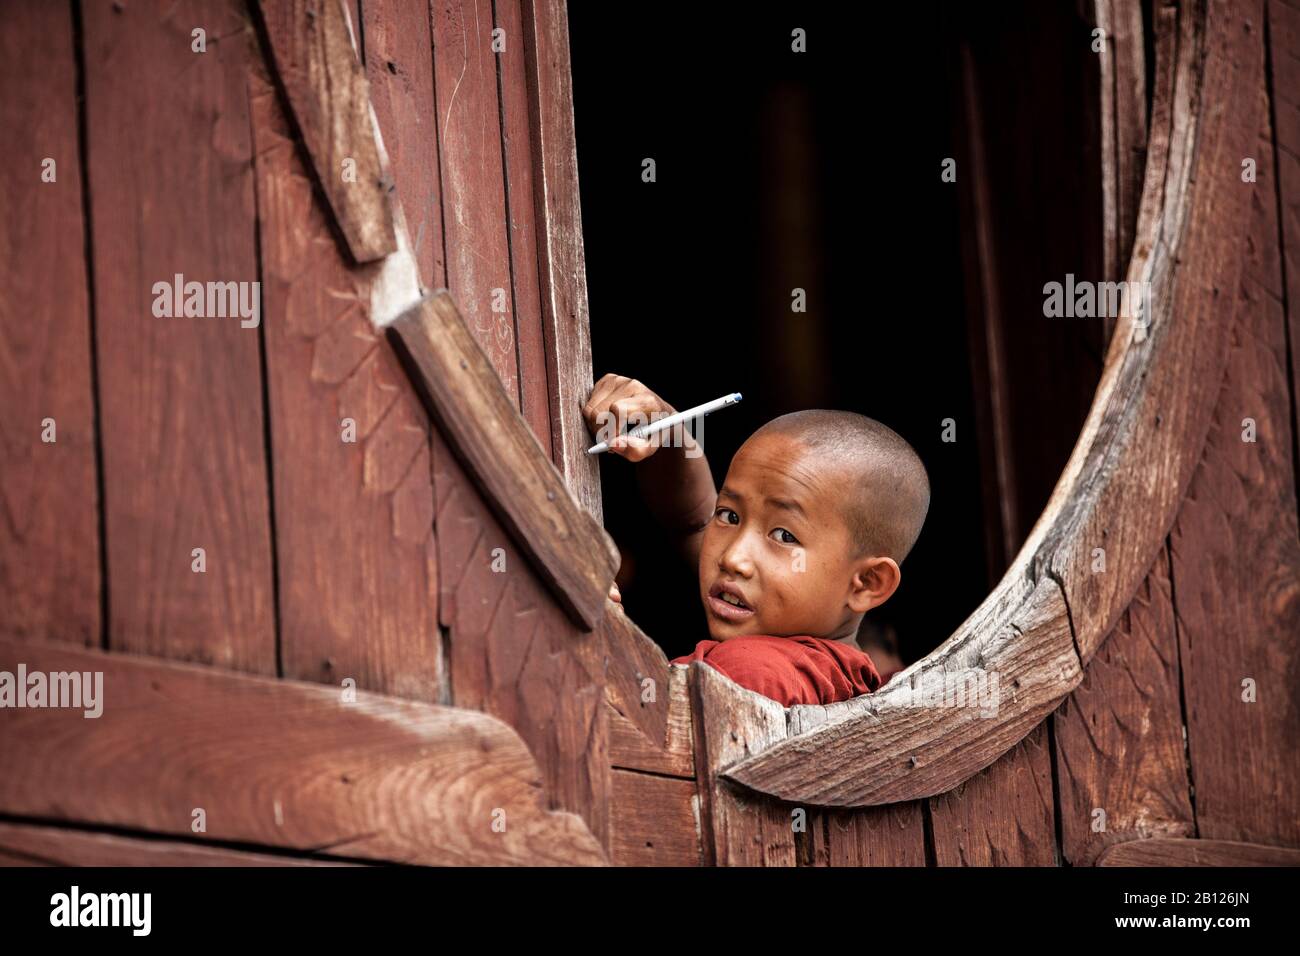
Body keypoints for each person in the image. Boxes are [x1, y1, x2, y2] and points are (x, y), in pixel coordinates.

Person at [584, 374, 929, 706]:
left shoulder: (754, 672)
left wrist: (603, 633)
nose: (733, 557)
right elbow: (694, 521)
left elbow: (637, 731)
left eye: (784, 535)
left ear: (867, 583)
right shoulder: (824, 666)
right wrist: (670, 432)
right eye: (730, 515)